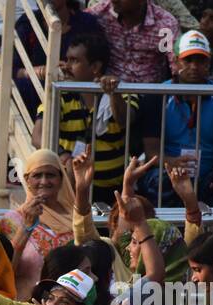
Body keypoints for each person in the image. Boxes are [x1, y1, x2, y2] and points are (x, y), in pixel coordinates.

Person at [33, 33, 137, 207]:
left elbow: (125, 121)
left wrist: (113, 94)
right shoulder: (60, 94)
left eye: (74, 61)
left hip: (113, 192)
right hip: (71, 187)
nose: (66, 66)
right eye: (67, 60)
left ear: (95, 66)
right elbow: (37, 136)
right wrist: (62, 156)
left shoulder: (122, 92)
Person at [140, 31, 213, 206]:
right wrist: (173, 163)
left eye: (200, 60)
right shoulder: (157, 96)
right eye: (188, 60)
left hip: (209, 174)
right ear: (176, 61)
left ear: (208, 64)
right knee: (160, 181)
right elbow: (151, 152)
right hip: (169, 173)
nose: (194, 66)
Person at [0, 149, 77, 301]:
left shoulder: (75, 217)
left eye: (51, 175)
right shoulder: (12, 220)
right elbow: (5, 272)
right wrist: (26, 227)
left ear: (61, 178)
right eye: (37, 175)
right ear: (27, 179)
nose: (44, 181)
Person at [88, 0, 180, 83]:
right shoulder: (99, 14)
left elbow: (176, 64)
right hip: (110, 91)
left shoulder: (165, 24)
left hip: (150, 93)